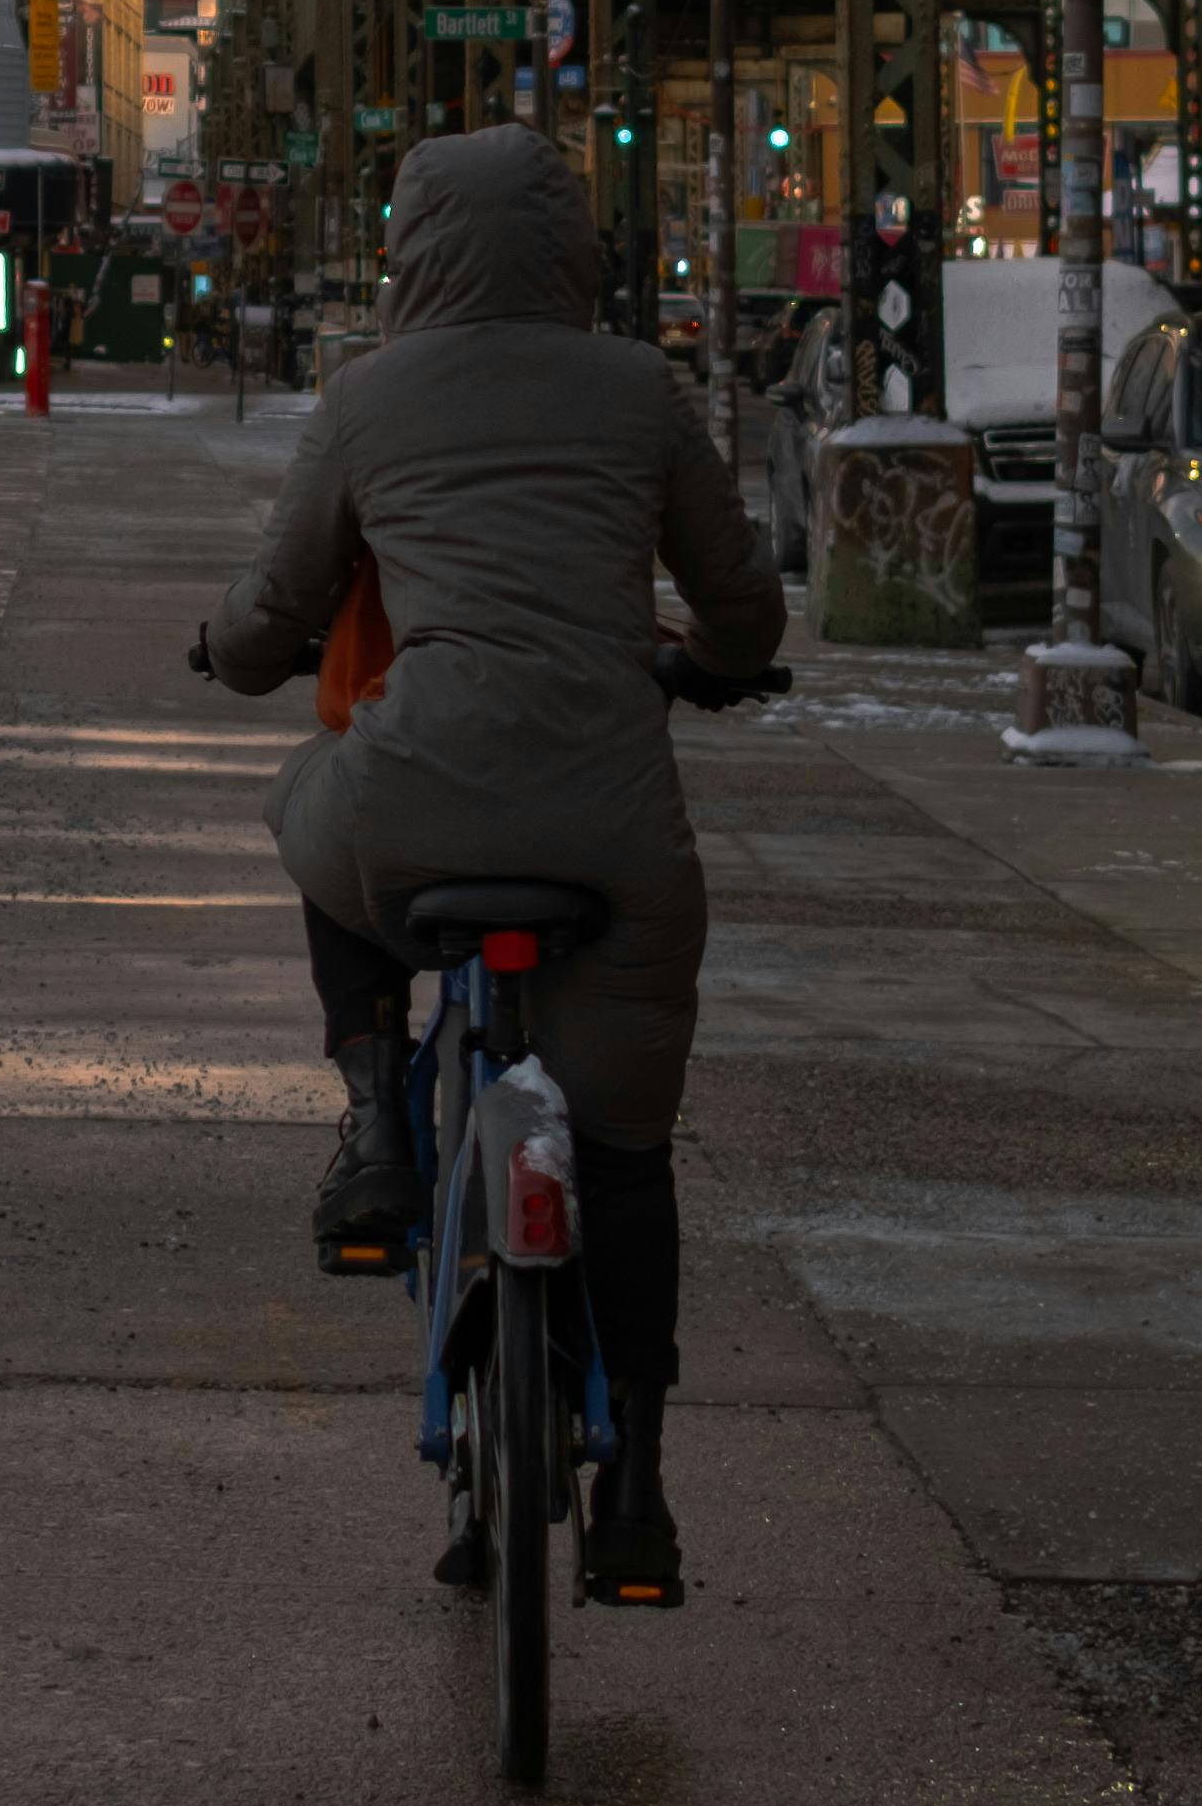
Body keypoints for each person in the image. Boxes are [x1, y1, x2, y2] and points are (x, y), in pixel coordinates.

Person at [195, 121, 783, 1605]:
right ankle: (638, 1476)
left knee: (307, 815)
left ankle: (375, 1121)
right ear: (574, 244)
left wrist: (223, 649)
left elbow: (278, 615)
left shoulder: (370, 396)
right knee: (631, 1151)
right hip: (611, 817)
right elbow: (743, 608)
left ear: (412, 246)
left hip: (423, 799)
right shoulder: (639, 388)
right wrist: (702, 664)